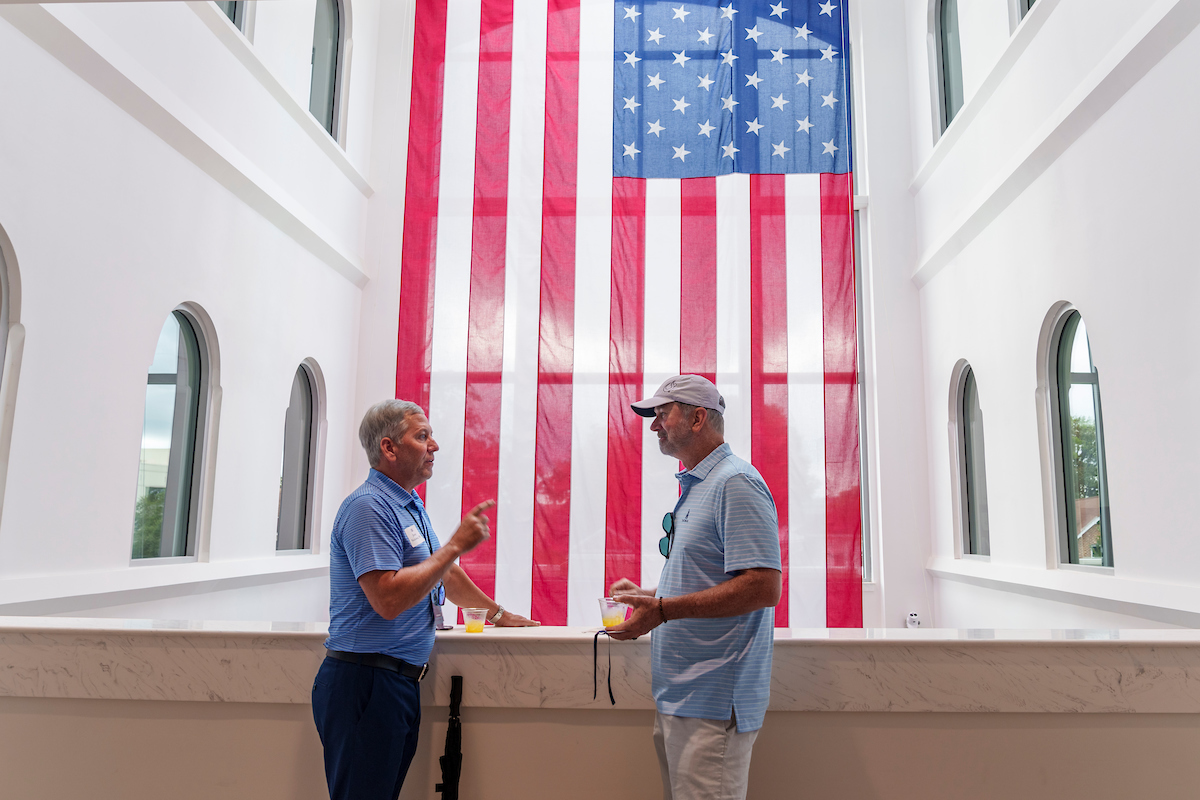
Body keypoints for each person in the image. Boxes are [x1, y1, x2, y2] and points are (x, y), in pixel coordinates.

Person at [312, 399, 538, 800]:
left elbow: (444, 573)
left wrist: (499, 615)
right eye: (422, 436)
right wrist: (454, 545)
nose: (434, 445)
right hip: (365, 681)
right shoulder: (368, 507)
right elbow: (387, 599)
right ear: (388, 448)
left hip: (395, 682)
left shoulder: (407, 503)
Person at [608, 375, 782, 800]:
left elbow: (763, 586)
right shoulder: (702, 484)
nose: (654, 426)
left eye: (662, 414)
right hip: (682, 698)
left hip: (713, 701)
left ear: (698, 418)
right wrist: (651, 596)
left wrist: (663, 610)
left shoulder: (735, 482)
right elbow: (708, 576)